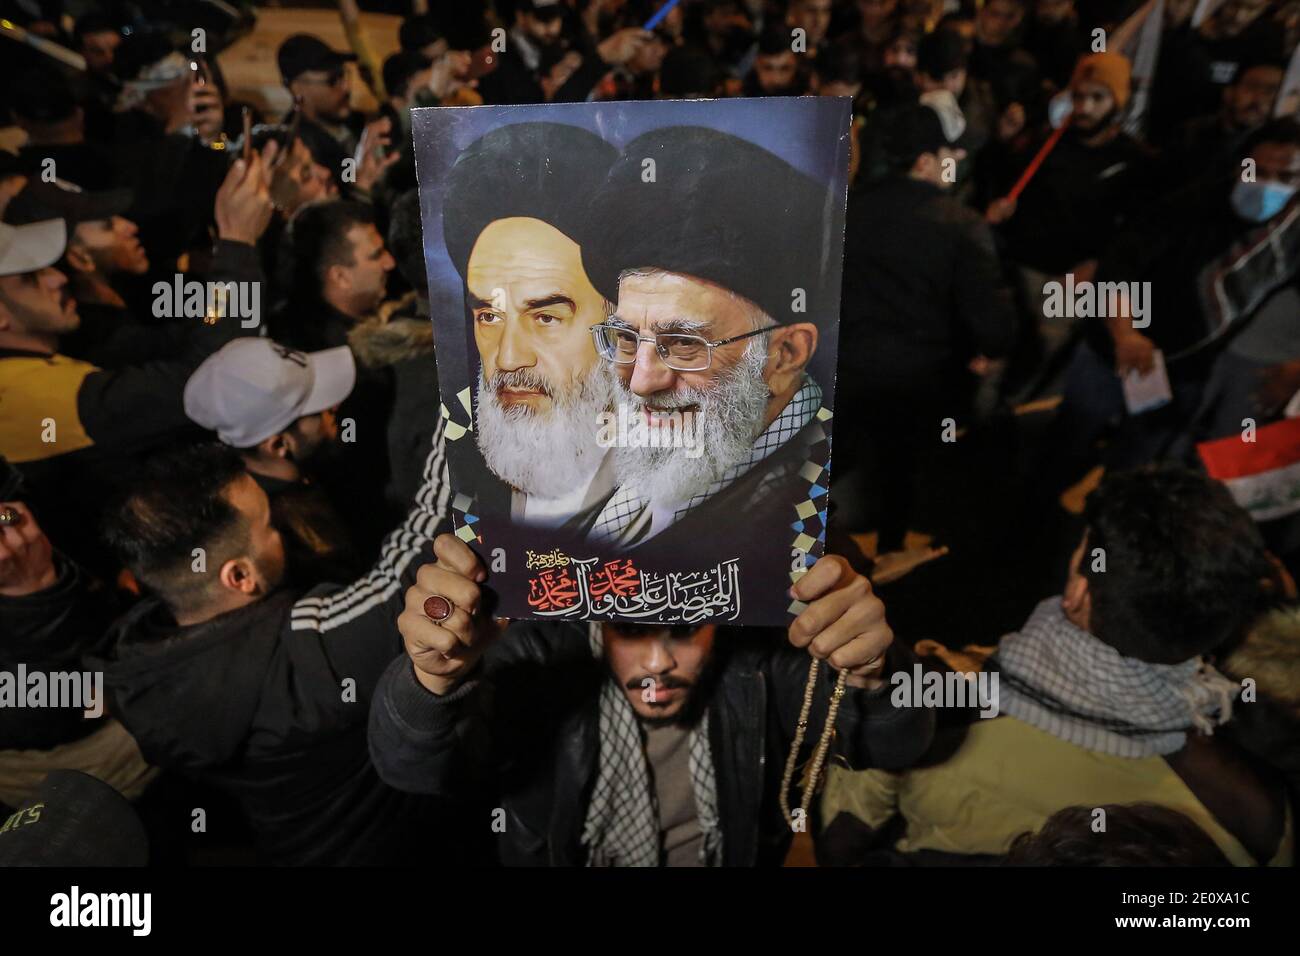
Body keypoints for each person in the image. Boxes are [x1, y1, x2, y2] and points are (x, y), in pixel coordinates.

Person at [367, 531, 935, 866]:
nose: (659, 661)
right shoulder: (541, 653)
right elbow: (412, 767)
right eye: (632, 632)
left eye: (685, 629)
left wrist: (872, 673)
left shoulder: (761, 658)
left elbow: (891, 742)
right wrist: (432, 682)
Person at [820, 466, 1292, 866]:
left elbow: (841, 841)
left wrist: (883, 700)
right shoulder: (1257, 808)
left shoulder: (940, 717)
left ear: (1079, 594)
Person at [91, 426, 456, 866]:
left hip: (292, 843)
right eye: (267, 522)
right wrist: (466, 397)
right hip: (390, 842)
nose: (281, 522)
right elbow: (416, 560)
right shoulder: (305, 658)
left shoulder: (138, 656)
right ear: (240, 577)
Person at [578, 126, 844, 619]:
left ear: (785, 354)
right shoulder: (659, 473)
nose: (641, 380)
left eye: (683, 344)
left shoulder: (813, 527)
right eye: (626, 338)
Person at [0, 150, 273, 574]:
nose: (57, 277)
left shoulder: (50, 357)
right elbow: (207, 378)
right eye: (30, 277)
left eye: (48, 266)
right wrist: (237, 244)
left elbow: (192, 342)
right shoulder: (25, 394)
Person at [839, 103, 1016, 552]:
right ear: (924, 161)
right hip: (920, 387)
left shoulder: (843, 211)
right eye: (945, 155)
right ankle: (893, 551)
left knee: (835, 475)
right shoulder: (958, 224)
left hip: (843, 375)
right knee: (901, 475)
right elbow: (994, 328)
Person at [438, 122, 620, 527]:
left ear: (619, 323)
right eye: (489, 316)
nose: (507, 357)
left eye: (545, 318)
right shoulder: (456, 435)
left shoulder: (695, 465)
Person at [183, 337, 361, 587]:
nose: (334, 406)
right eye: (319, 408)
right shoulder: (291, 539)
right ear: (279, 445)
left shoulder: (310, 470)